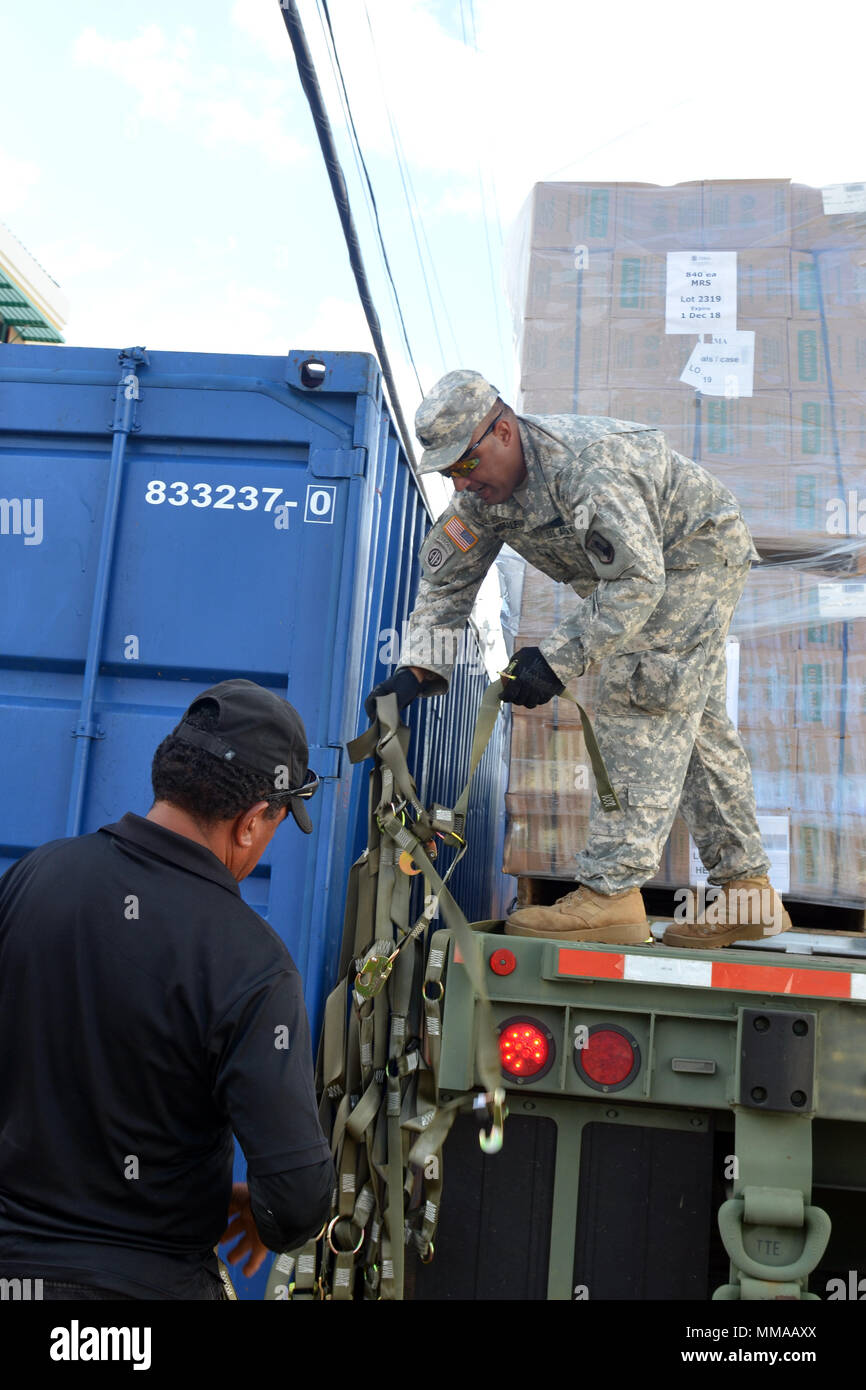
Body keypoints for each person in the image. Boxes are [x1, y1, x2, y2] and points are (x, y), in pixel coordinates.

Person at [365, 370, 790, 949]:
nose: (459, 483)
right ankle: (749, 892)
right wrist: (417, 671)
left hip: (692, 554)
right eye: (447, 473)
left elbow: (639, 580)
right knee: (695, 727)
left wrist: (556, 660)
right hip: (645, 577)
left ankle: (611, 896)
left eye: (465, 464)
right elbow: (447, 586)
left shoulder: (585, 466)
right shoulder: (482, 498)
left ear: (505, 431)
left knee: (641, 693)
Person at [0, 679, 334, 1300]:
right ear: (252, 821)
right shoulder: (253, 964)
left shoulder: (32, 878)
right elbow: (296, 1203)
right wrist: (261, 1211)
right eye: (275, 825)